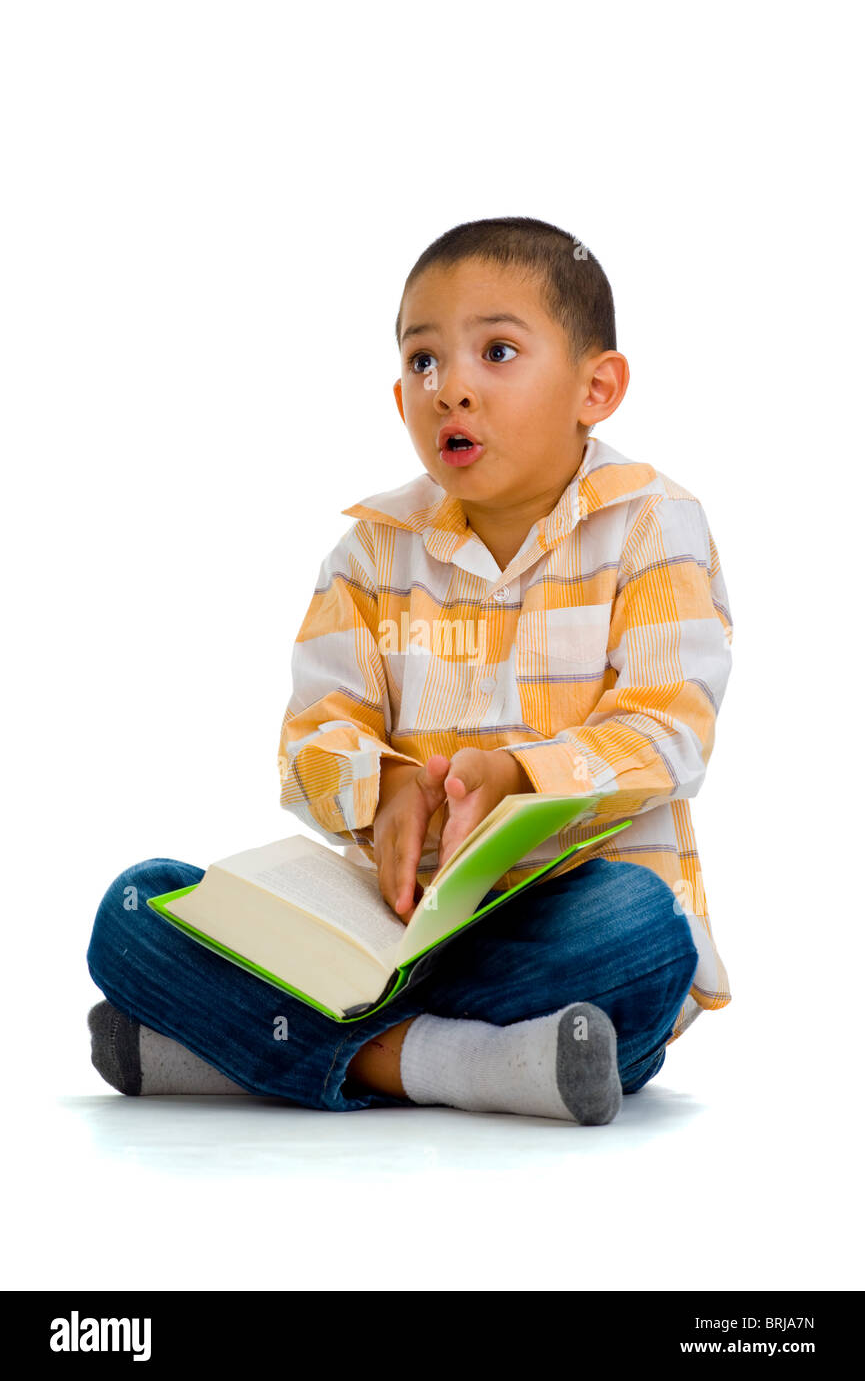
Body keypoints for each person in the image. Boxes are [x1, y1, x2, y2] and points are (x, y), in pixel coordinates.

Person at [87, 216, 733, 1125]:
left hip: (552, 937)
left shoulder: (653, 526)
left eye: (497, 351)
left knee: (639, 934)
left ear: (597, 387)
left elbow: (671, 731)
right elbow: (310, 742)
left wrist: (518, 773)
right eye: (423, 363)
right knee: (139, 904)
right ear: (399, 400)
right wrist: (382, 784)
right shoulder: (369, 555)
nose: (450, 390)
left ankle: (248, 1050)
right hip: (386, 937)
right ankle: (455, 1062)